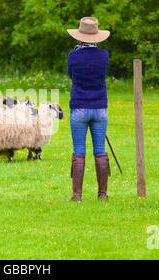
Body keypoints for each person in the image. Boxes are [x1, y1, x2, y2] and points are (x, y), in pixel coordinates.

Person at [66, 17, 111, 201]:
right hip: (99, 108)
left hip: (79, 108)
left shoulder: (73, 56)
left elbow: (71, 75)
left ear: (79, 36)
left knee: (79, 151)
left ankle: (77, 196)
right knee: (100, 150)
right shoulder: (104, 55)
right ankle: (102, 194)